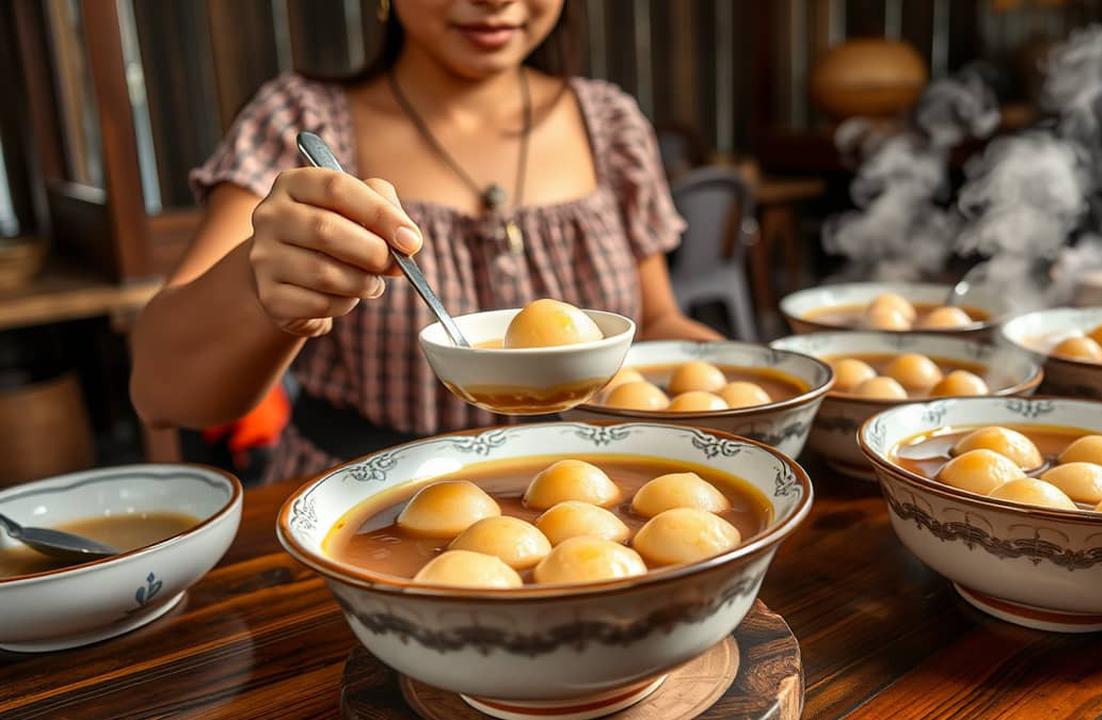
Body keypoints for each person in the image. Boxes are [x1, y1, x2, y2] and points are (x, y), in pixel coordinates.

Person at [130, 0, 719, 482]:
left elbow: (658, 323)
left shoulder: (610, 122)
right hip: (362, 516)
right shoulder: (299, 120)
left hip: (587, 510)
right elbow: (162, 393)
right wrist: (262, 289)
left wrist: (747, 385)